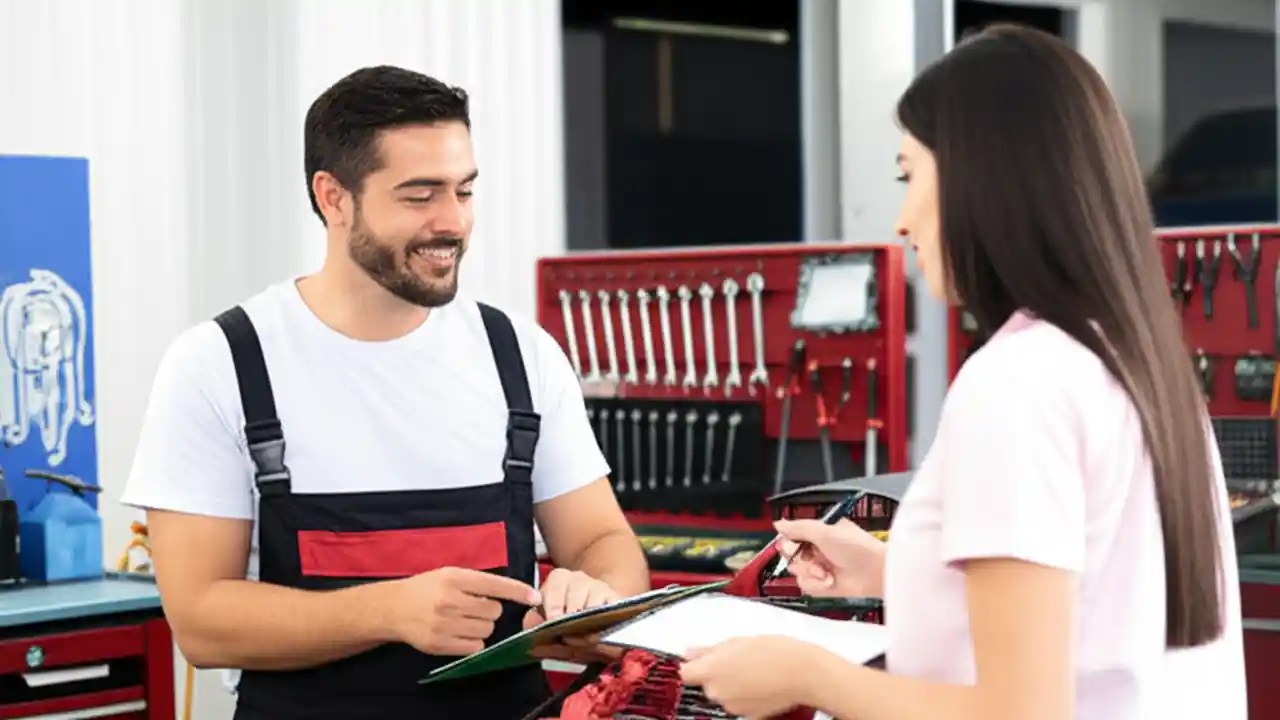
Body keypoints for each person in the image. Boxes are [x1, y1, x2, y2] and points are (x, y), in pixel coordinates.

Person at [679, 24, 1247, 720]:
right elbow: (1094, 614)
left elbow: (1019, 713)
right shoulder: (1131, 363)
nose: (901, 219)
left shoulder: (1019, 381)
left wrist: (808, 674)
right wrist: (903, 576)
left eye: (907, 175)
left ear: (985, 178)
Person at [121, 65, 649, 719]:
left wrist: (595, 594)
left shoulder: (520, 355)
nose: (452, 222)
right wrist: (389, 610)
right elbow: (201, 622)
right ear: (334, 197)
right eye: (419, 194)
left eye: (464, 190)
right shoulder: (220, 366)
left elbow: (606, 542)